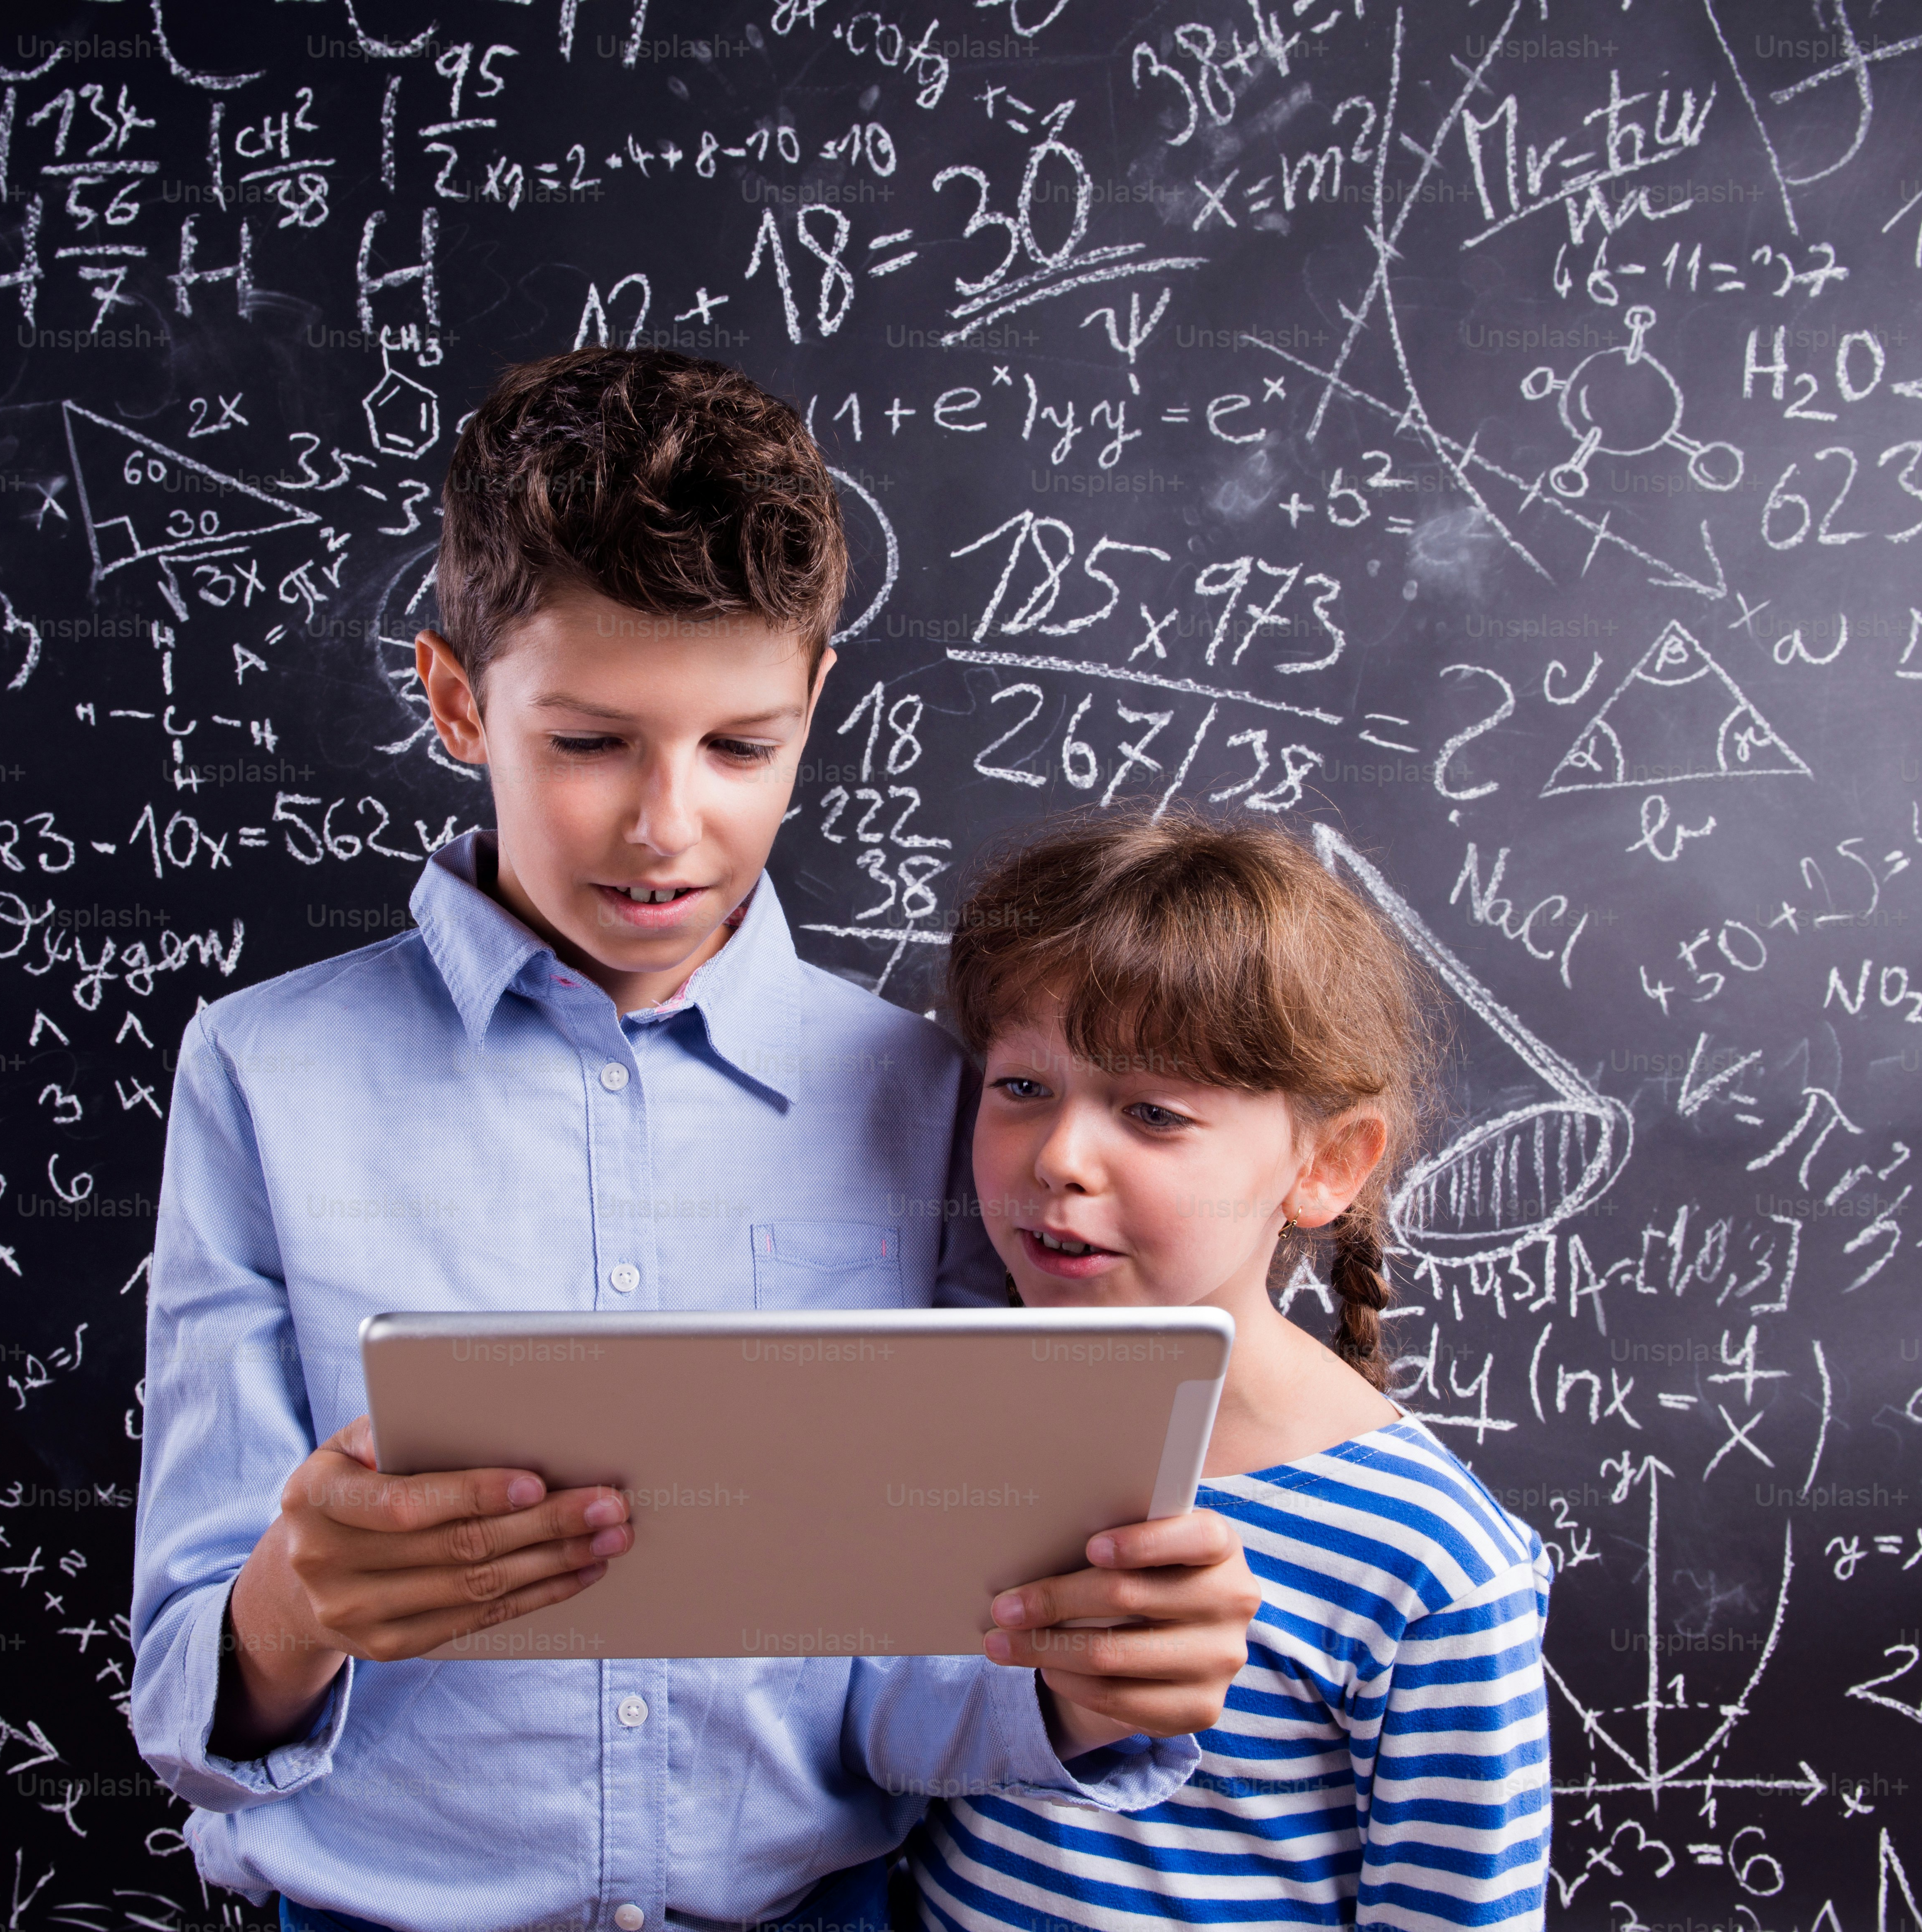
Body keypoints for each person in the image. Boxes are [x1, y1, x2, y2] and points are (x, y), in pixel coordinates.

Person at [127, 349, 1262, 1930]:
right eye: (589, 743)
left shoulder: (930, 1094)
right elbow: (187, 1699)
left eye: (740, 747)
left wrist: (1085, 1691)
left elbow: (915, 1694)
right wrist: (288, 1609)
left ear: (815, 704)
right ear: (457, 698)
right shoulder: (265, 1073)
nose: (670, 827)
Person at [914, 807, 1554, 1931]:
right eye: (1022, 1088)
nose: (1060, 1158)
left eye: (1152, 1113)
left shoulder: (1429, 1564)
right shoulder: (955, 1430)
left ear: (1324, 1166)